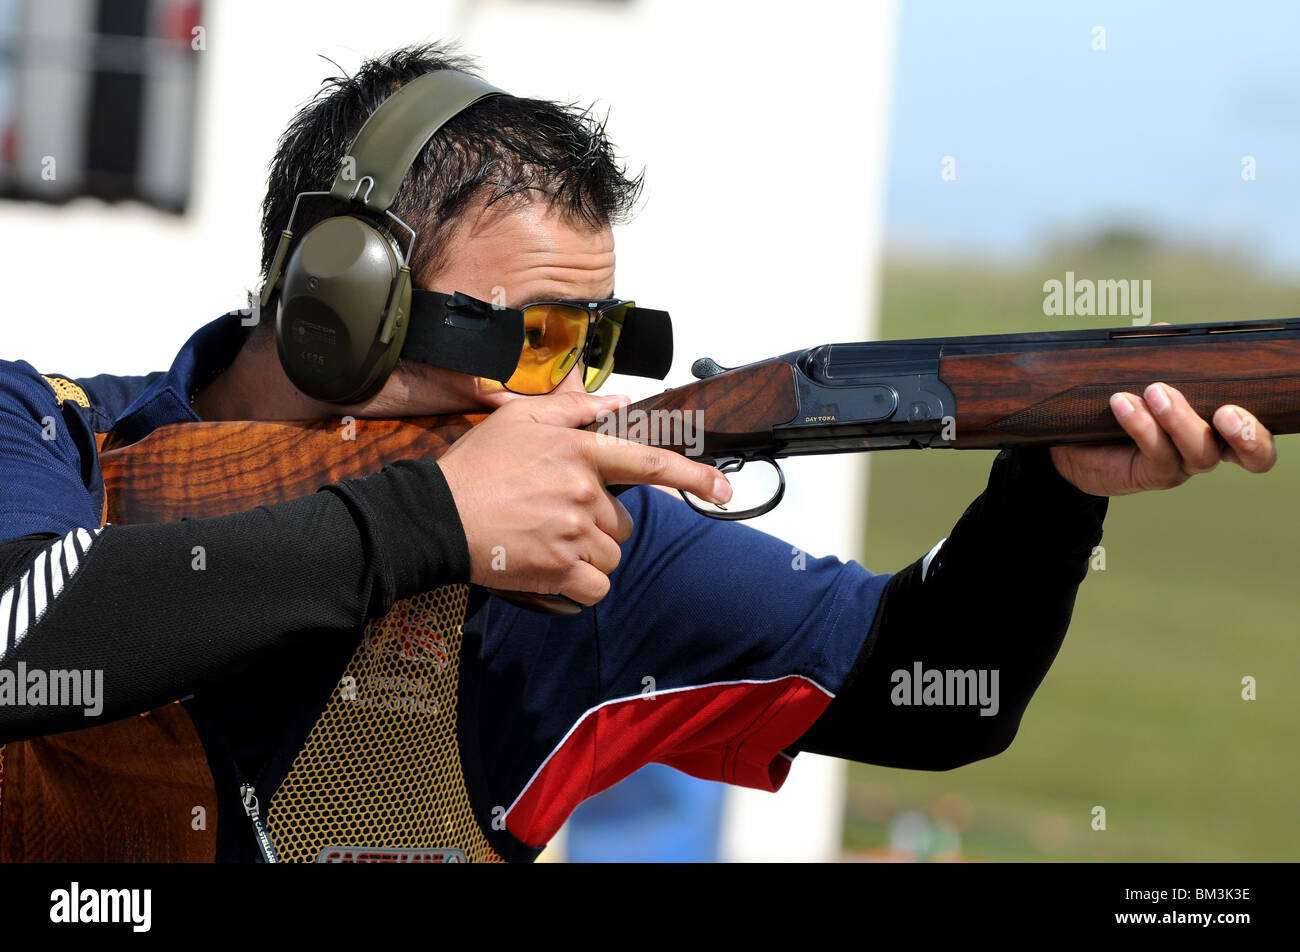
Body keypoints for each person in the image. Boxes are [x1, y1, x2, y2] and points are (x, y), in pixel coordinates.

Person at [0, 44, 1277, 862]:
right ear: (340, 301)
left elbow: (942, 693)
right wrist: (425, 524)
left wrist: (1049, 494)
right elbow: (19, 640)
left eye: (597, 342)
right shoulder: (46, 430)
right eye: (537, 338)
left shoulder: (574, 551)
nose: (575, 391)